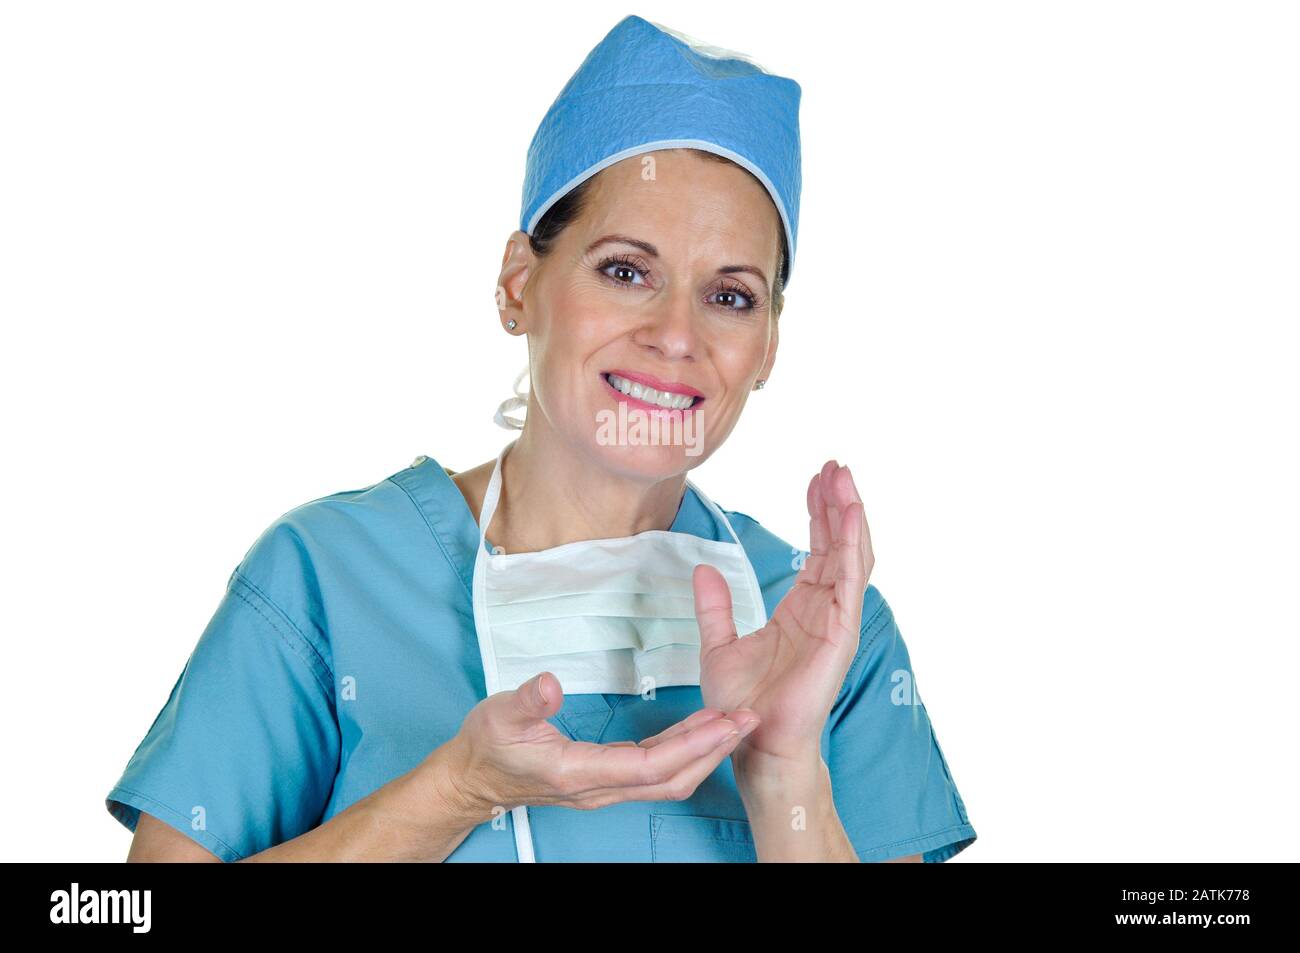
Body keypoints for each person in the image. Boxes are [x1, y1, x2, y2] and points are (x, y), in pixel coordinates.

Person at [106, 14, 976, 862]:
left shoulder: (820, 628)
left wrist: (786, 770)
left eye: (731, 295)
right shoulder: (327, 579)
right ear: (520, 283)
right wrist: (457, 788)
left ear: (768, 349)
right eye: (626, 271)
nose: (677, 334)